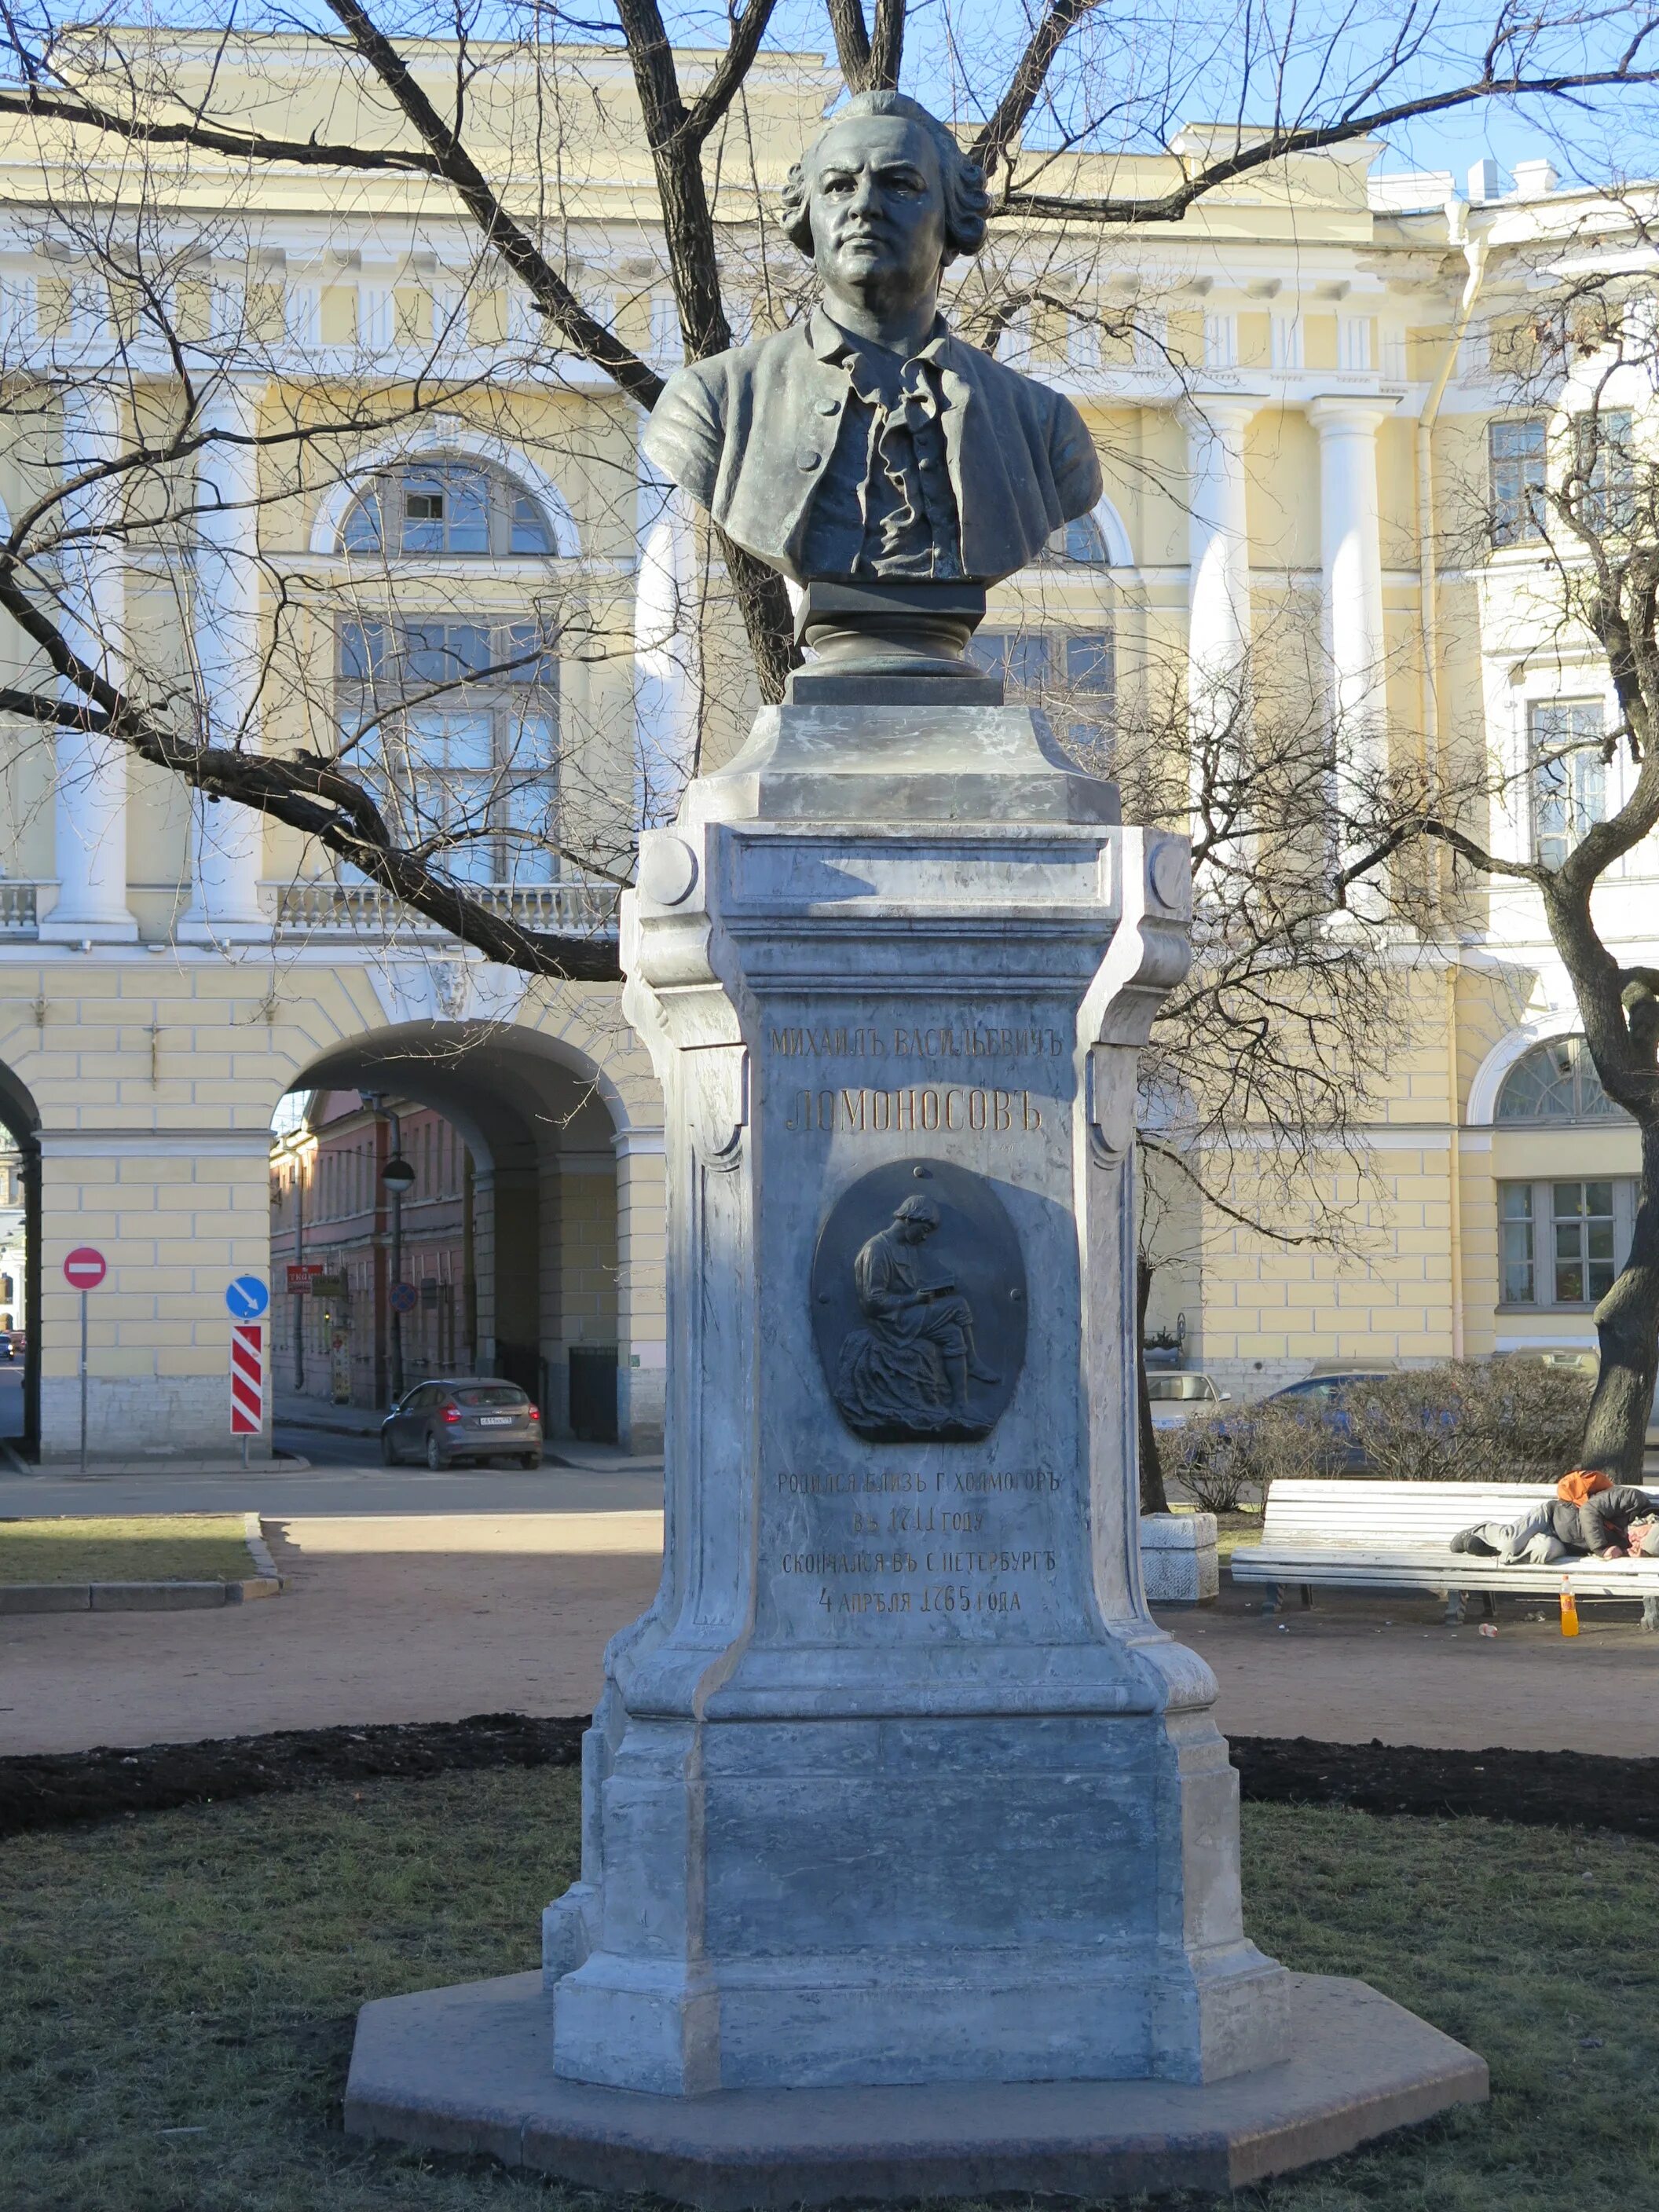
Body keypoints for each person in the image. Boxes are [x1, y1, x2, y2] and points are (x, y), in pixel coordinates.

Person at [641, 92, 1103, 589]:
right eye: (839, 186)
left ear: (953, 219)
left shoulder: (1046, 430)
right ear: (808, 220)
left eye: (900, 185)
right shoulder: (714, 403)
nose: (864, 206)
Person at [834, 1194, 998, 1436]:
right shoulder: (877, 1249)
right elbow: (871, 1302)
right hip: (890, 1324)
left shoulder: (907, 1249)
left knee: (953, 1334)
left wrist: (932, 1291)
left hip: (908, 1316)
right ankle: (973, 1363)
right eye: (924, 1229)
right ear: (910, 1220)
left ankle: (960, 1404)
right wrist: (914, 1299)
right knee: (959, 1305)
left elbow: (909, 1287)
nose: (925, 1237)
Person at [1450, 1470, 1659, 1563]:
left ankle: (1493, 1550)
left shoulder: (1630, 1546)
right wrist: (1602, 1549)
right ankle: (1480, 1531)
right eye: (1642, 1535)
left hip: (1563, 1544)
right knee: (1511, 1541)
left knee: (1544, 1551)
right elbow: (1589, 1511)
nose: (1635, 1540)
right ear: (1651, 1523)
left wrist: (1632, 1554)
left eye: (1641, 1544)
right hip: (1552, 1516)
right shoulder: (1631, 1499)